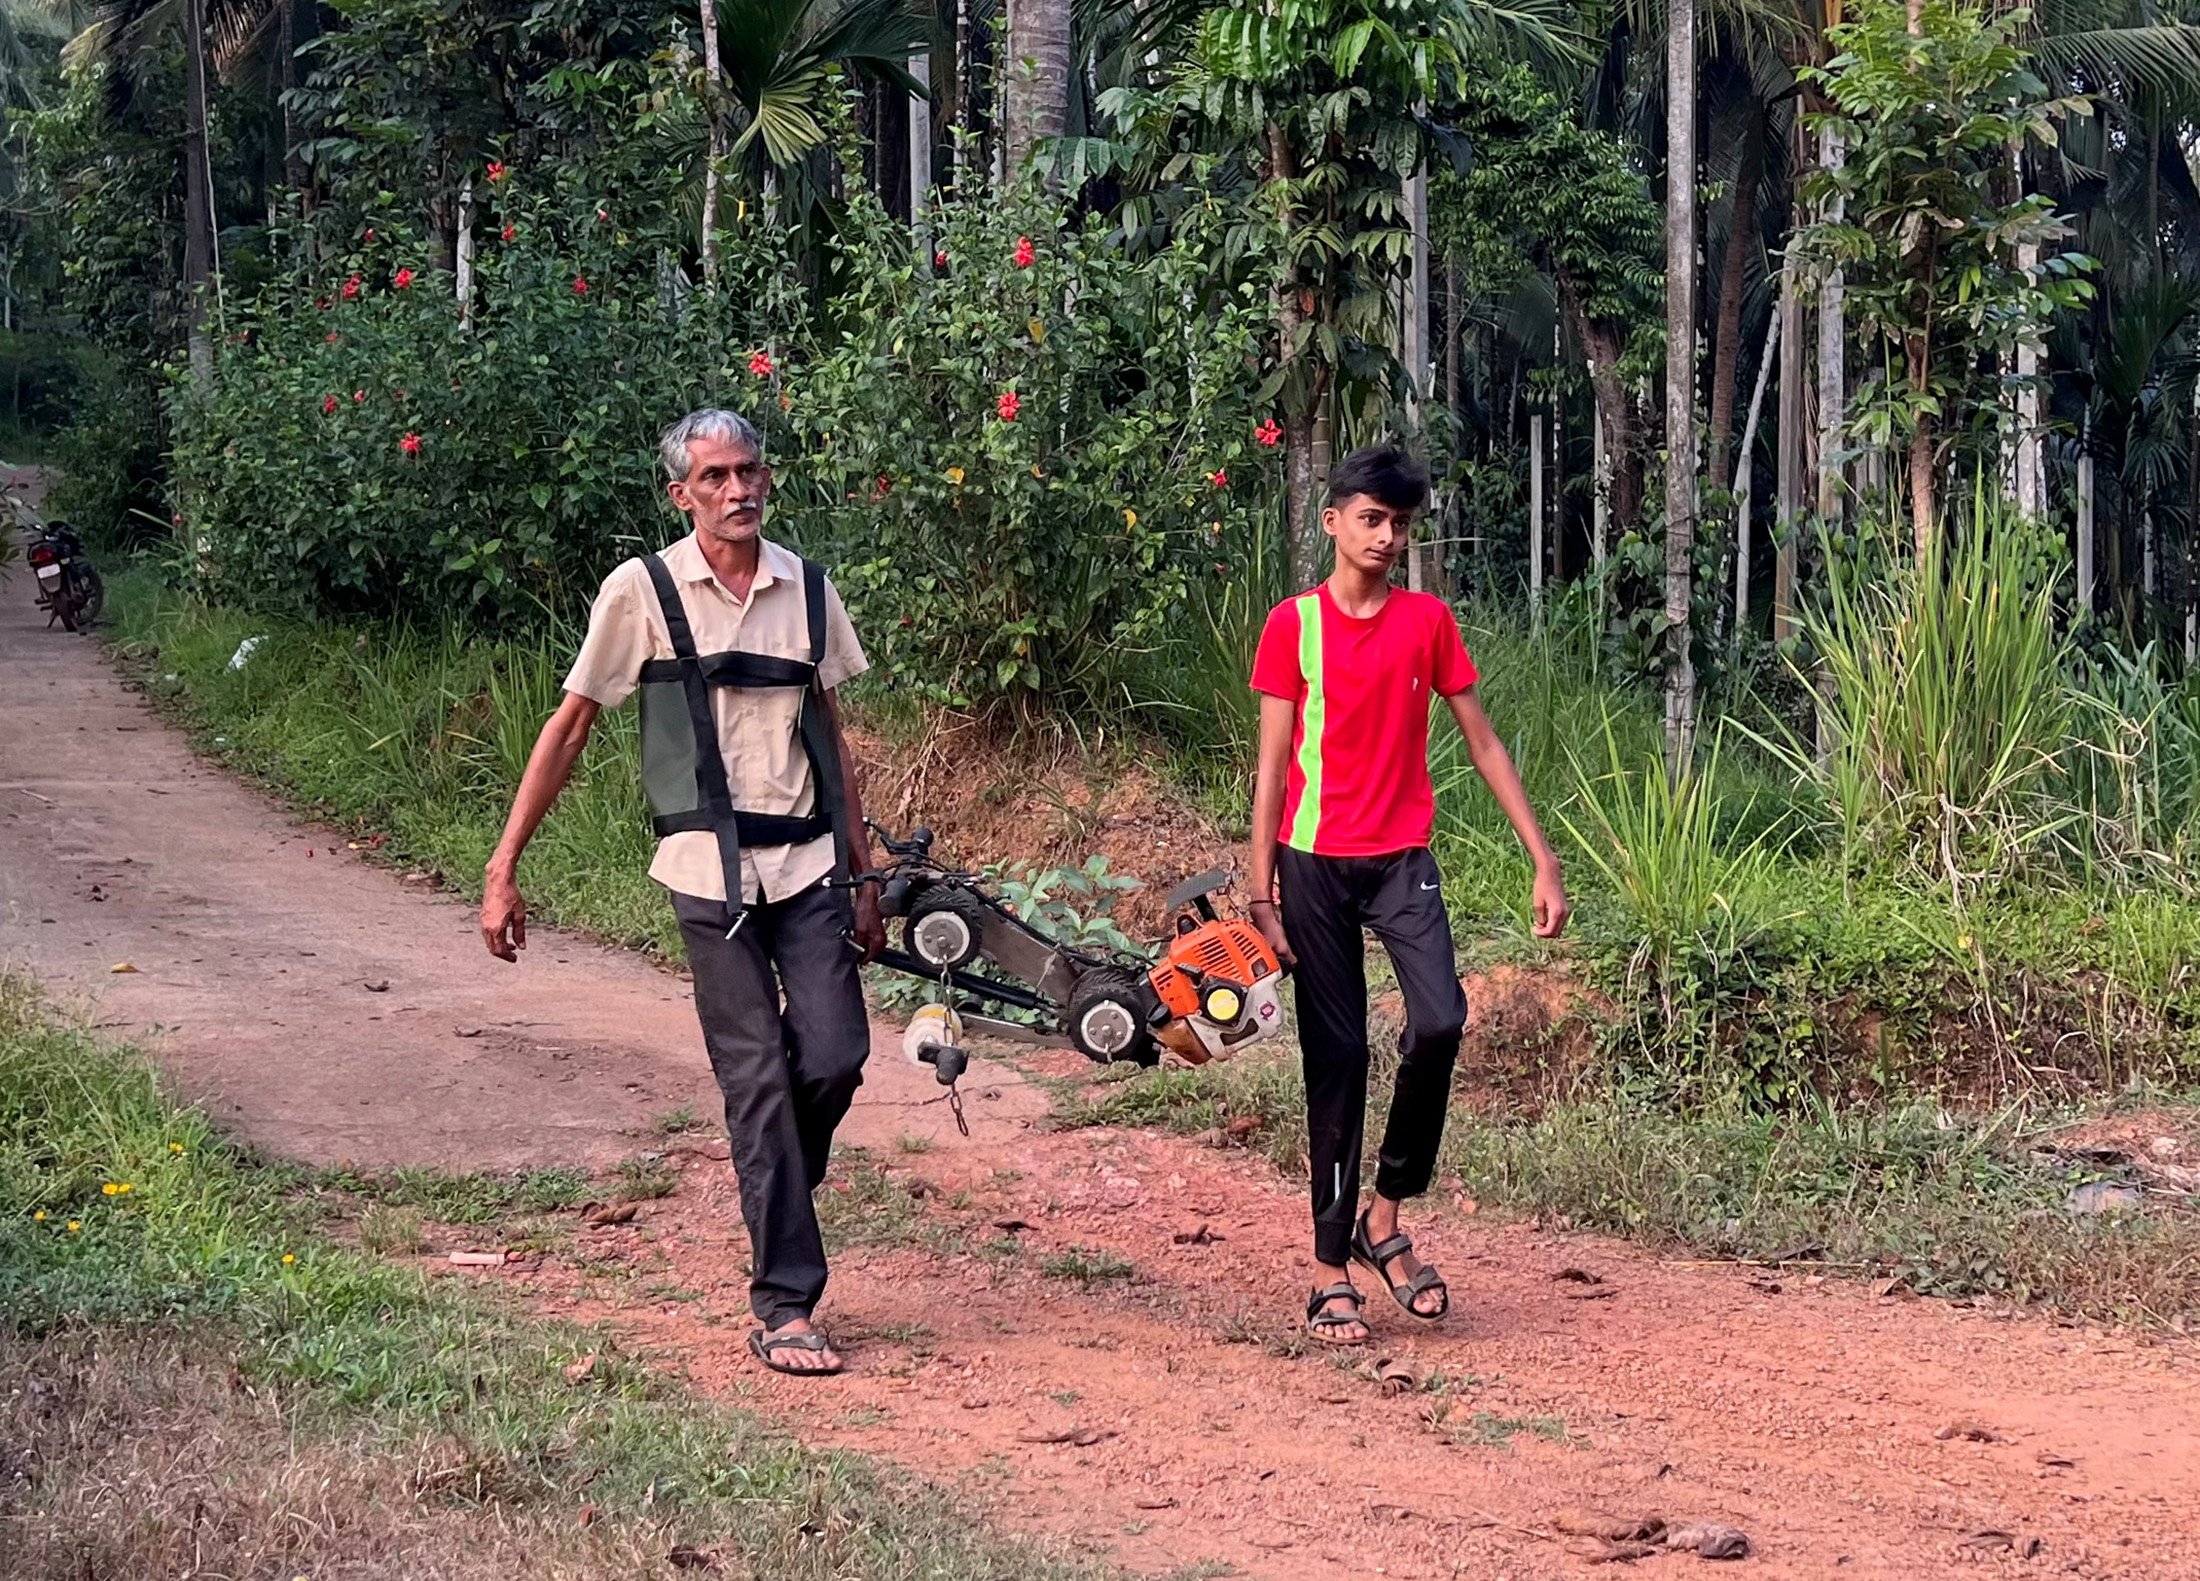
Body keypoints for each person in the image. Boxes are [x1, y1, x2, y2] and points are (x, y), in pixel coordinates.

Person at [480, 408, 885, 1377]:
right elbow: (572, 724)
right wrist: (503, 868)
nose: (737, 491)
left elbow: (829, 733)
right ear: (681, 494)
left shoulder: (807, 589)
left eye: (748, 472)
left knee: (834, 1055)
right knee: (755, 1079)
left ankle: (776, 1183)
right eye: (714, 478)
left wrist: (865, 873)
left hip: (808, 865)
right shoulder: (644, 591)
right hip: (707, 870)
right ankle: (786, 1301)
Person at [1247, 444, 1570, 1346]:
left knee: (1440, 1020)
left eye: (1400, 525)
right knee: (1338, 1058)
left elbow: (1484, 742)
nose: (1387, 538)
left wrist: (1542, 858)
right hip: (1310, 862)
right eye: (1372, 520)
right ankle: (1328, 1268)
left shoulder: (1427, 622)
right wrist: (1258, 885)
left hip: (1401, 859)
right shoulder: (1292, 626)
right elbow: (1272, 767)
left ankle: (1383, 1212)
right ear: (1333, 521)